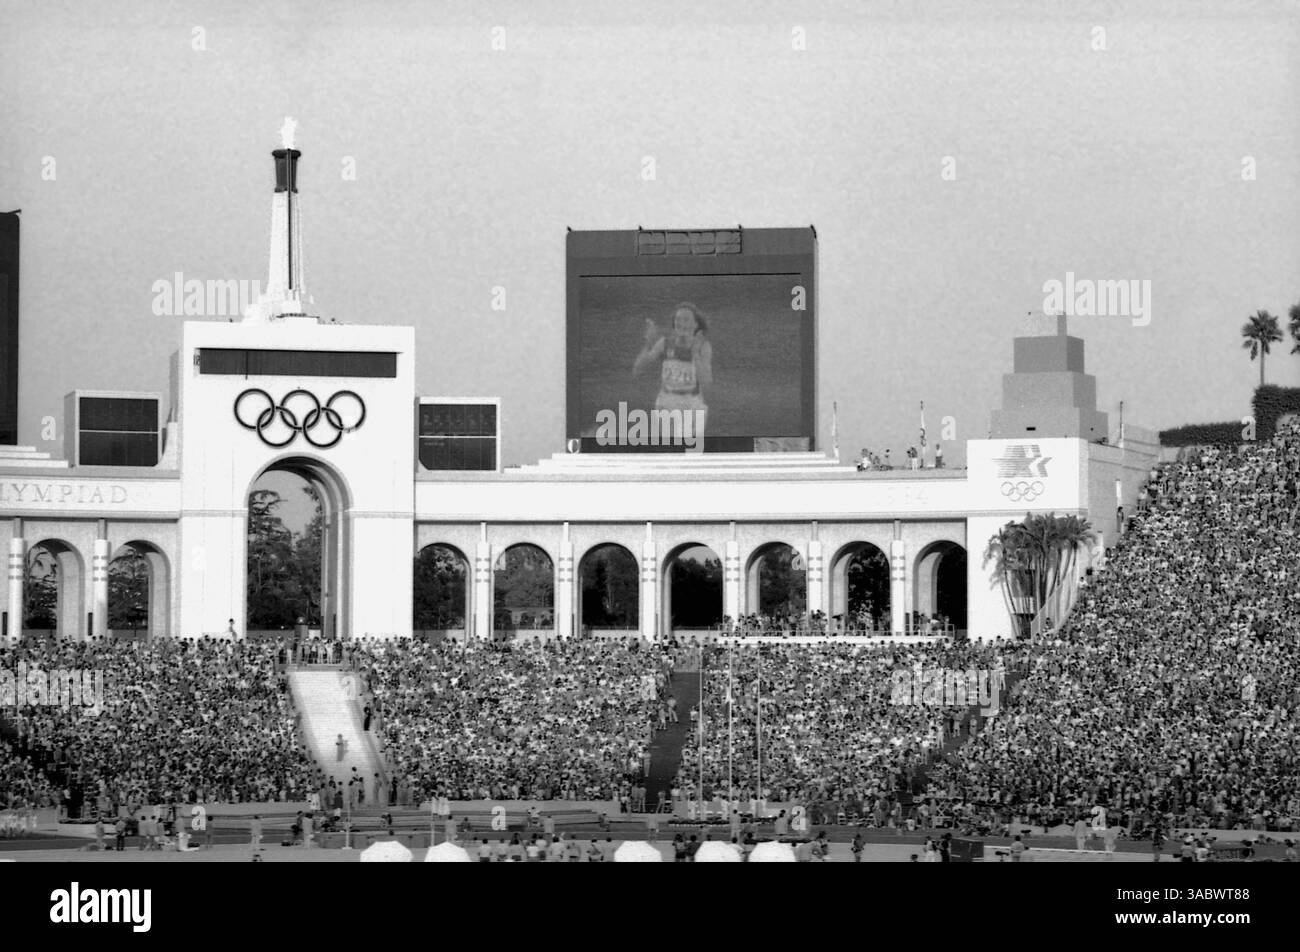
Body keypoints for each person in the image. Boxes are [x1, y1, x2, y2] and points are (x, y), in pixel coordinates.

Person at [632, 302, 713, 452]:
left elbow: (706, 383)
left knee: (692, 454)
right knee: (670, 453)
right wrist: (648, 343)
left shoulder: (703, 347)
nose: (681, 323)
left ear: (695, 324)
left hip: (692, 405)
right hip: (667, 403)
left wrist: (695, 354)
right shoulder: (665, 344)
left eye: (686, 319)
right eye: (678, 319)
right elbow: (638, 370)